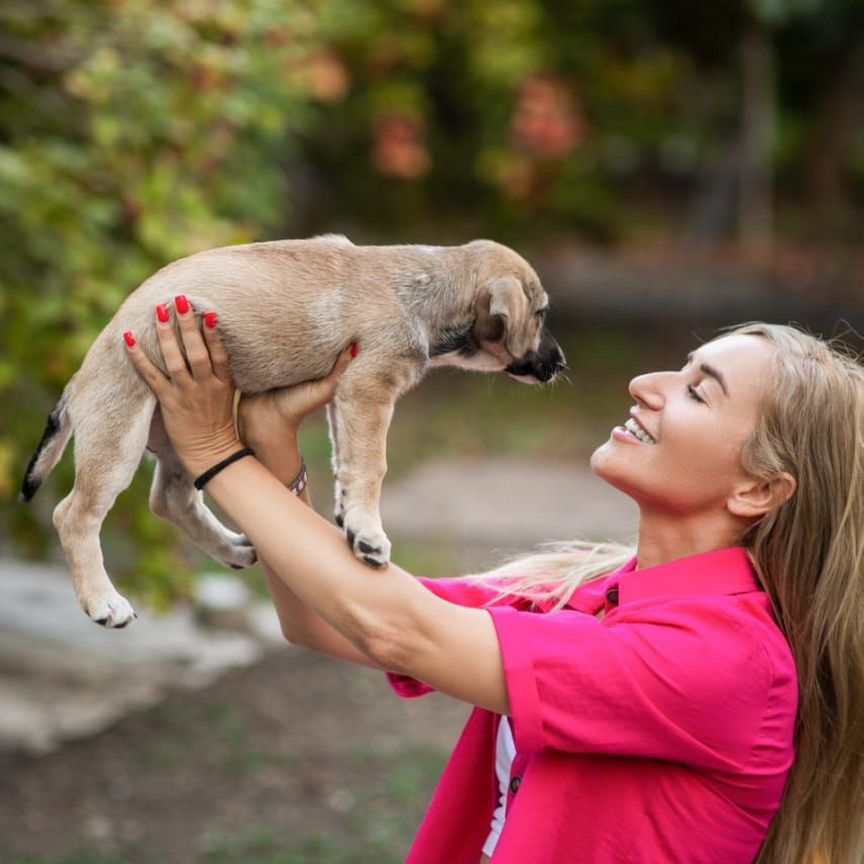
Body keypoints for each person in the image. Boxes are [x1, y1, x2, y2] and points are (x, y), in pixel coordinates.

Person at [124, 303, 864, 864]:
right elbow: (328, 620)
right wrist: (270, 445)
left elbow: (397, 627)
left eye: (699, 393)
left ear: (759, 492)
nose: (645, 384)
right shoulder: (589, 592)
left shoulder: (729, 660)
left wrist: (216, 454)